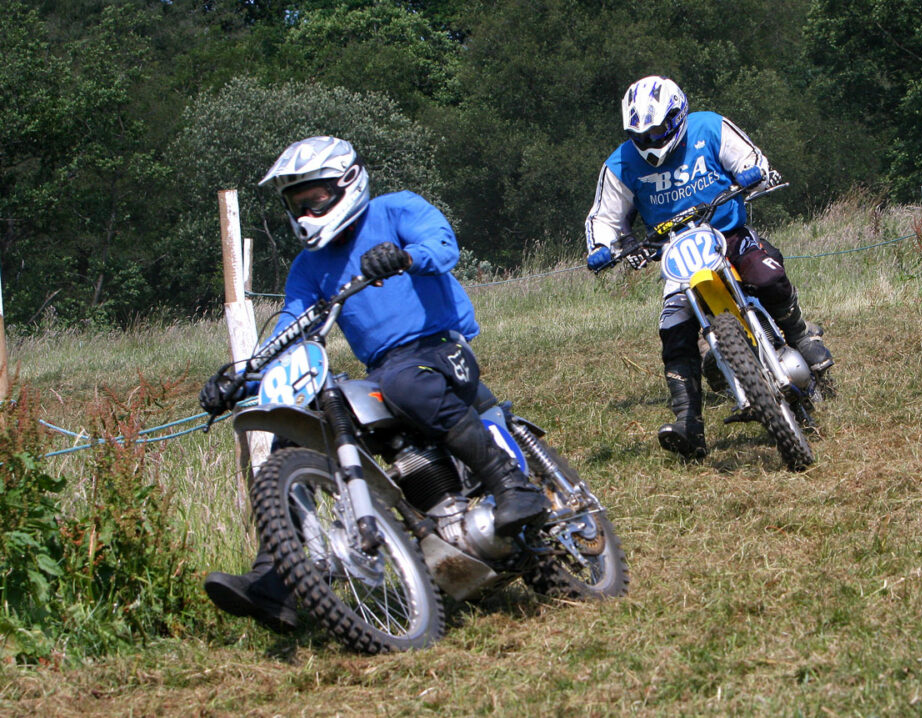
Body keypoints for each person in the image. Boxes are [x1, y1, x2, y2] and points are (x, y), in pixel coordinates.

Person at [197, 136, 548, 633]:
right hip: (384, 367)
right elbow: (289, 327)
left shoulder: (396, 209)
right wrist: (243, 373)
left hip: (437, 347)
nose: (304, 213)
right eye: (296, 204)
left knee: (404, 383)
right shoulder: (308, 267)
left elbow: (443, 245)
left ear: (347, 182)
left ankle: (515, 487)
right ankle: (275, 578)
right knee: (299, 421)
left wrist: (404, 258)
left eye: (314, 199)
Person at [585, 76, 833, 460]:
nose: (651, 140)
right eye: (642, 135)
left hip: (727, 234)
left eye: (658, 130)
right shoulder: (619, 164)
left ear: (677, 115)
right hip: (677, 256)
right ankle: (689, 424)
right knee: (673, 331)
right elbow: (604, 217)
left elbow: (752, 160)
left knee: (766, 273)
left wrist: (753, 173)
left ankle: (801, 336)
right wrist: (602, 246)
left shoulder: (709, 127)